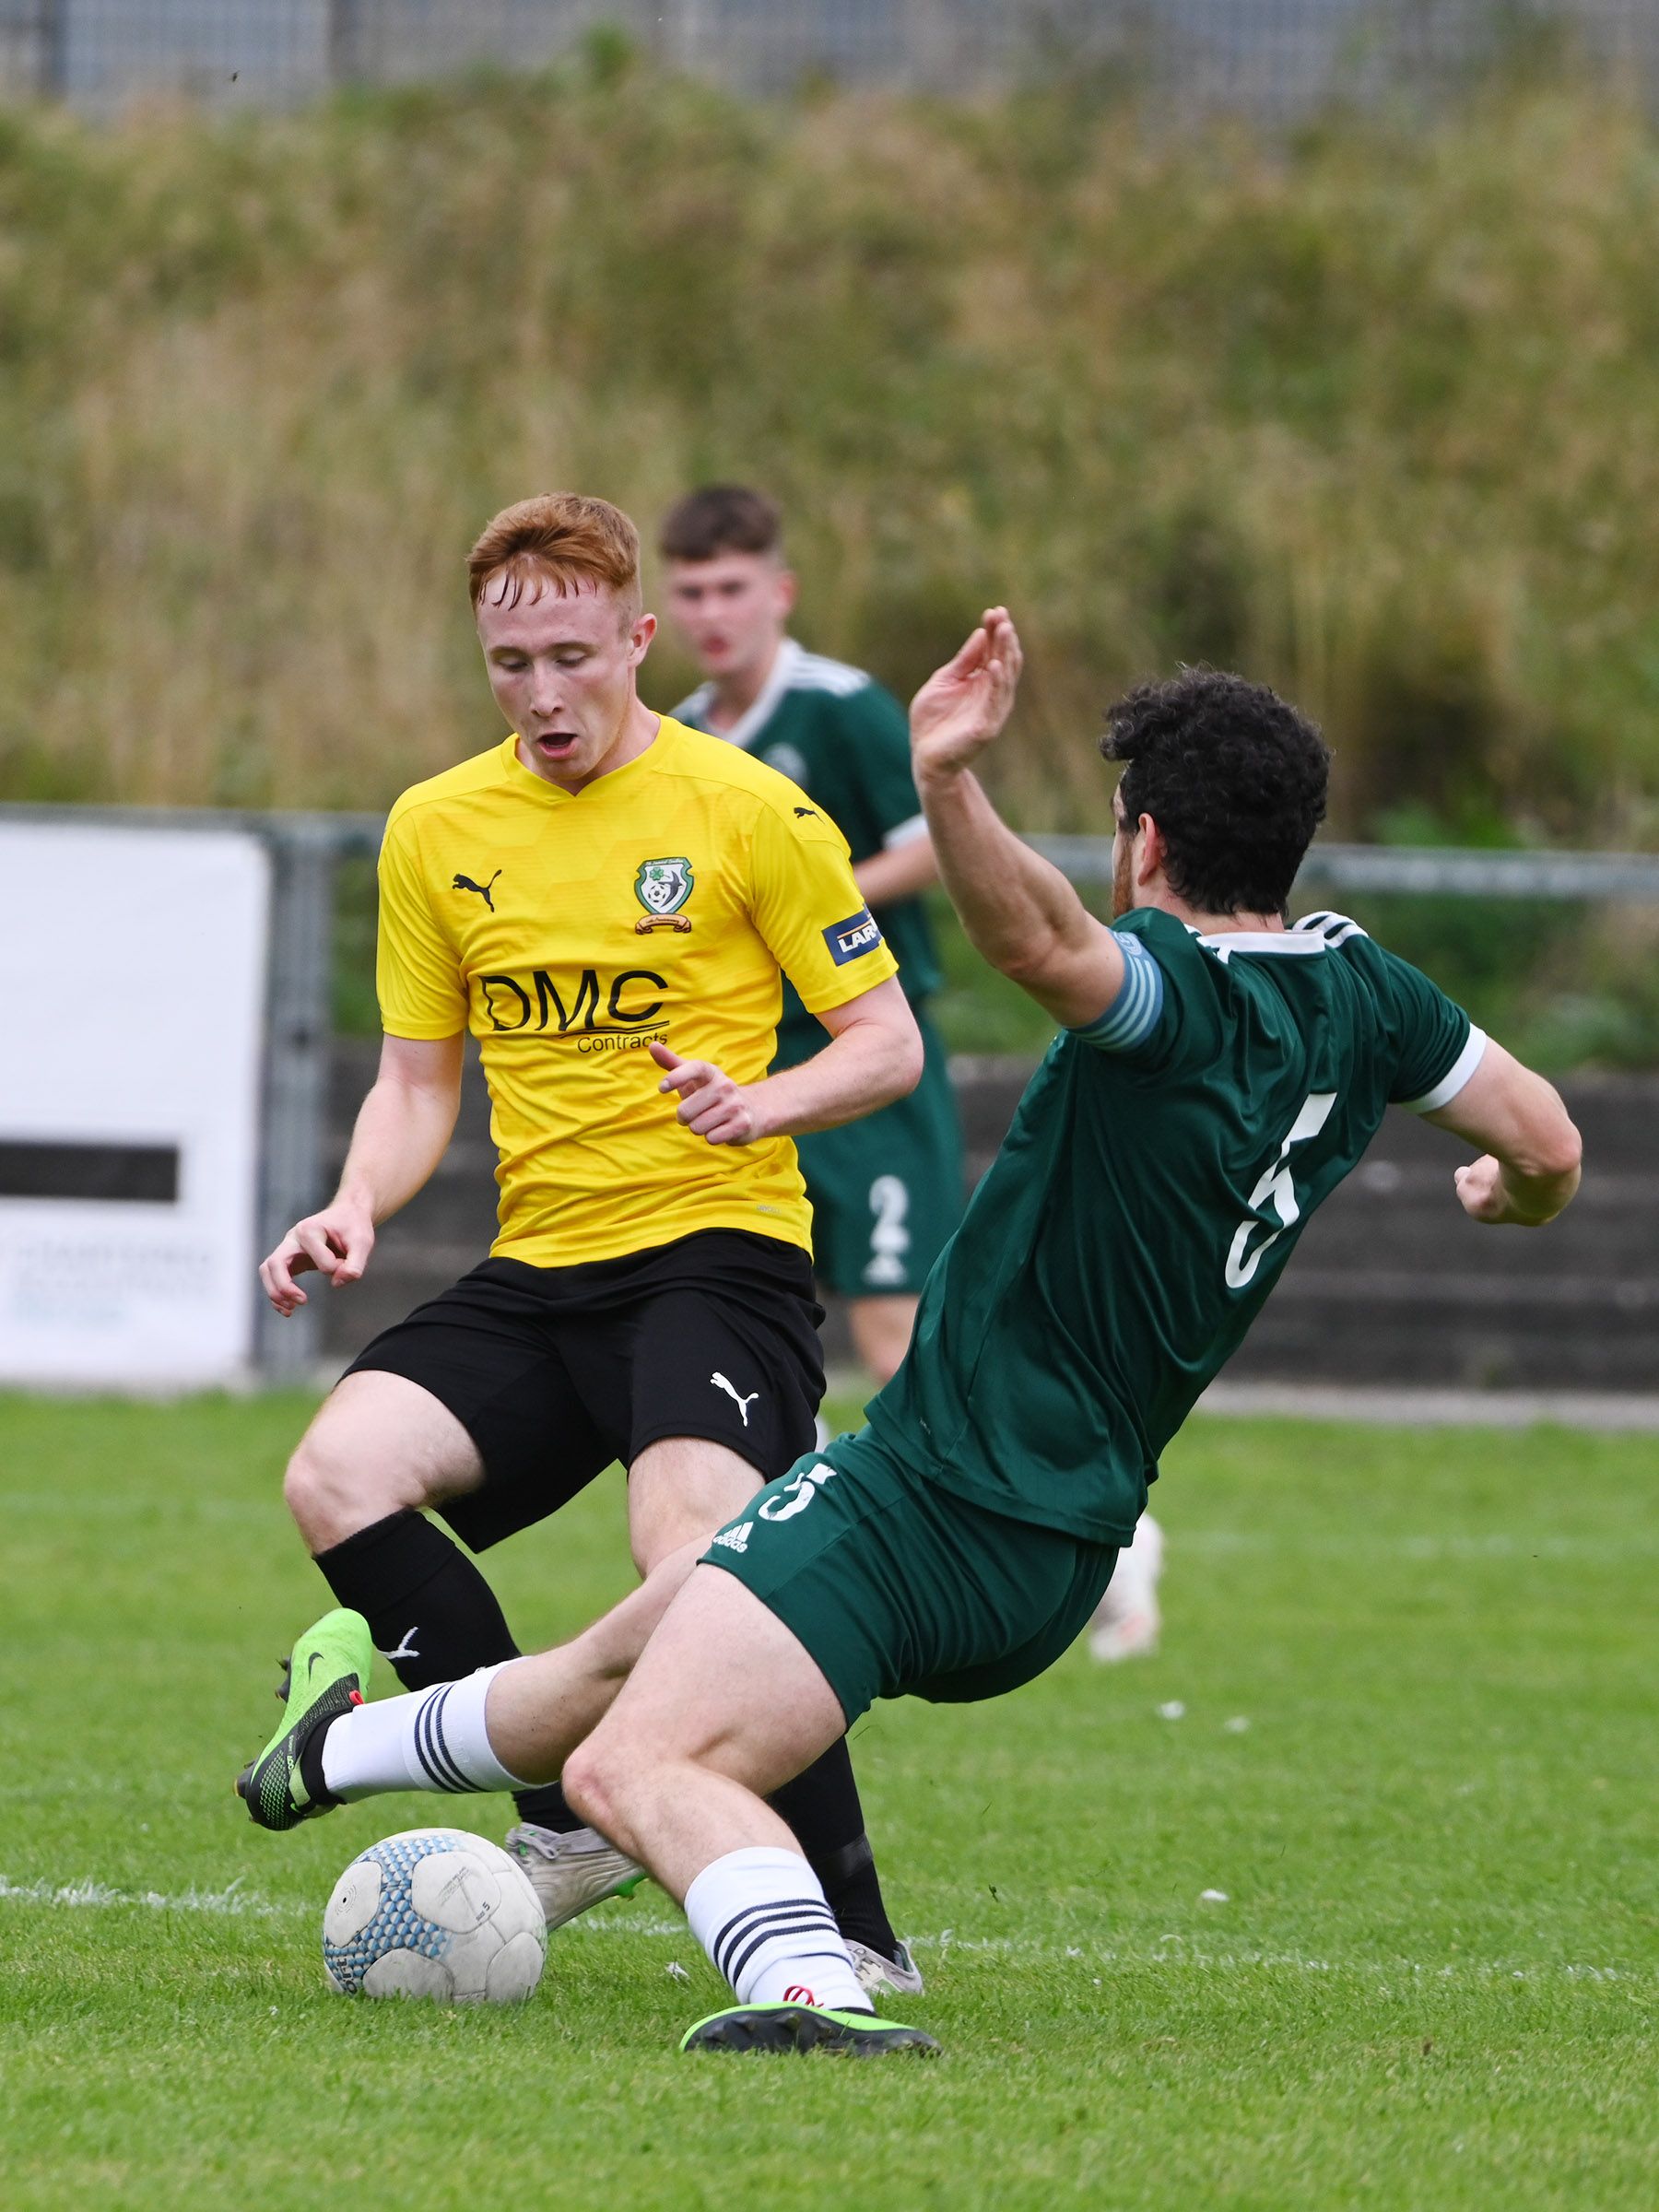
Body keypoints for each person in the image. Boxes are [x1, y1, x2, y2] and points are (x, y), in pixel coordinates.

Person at [238, 612, 1583, 2058]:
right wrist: (1513, 1192)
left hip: (933, 1496)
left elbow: (1036, 939)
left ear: (1140, 844)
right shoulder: (1366, 993)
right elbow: (1550, 1134)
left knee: (635, 1767)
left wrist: (948, 779)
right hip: (1061, 1546)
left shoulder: (1171, 998)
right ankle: (332, 1753)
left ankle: (819, 1986)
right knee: (640, 1633)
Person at [247, 491, 927, 1998]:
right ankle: (563, 1812)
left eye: (571, 656)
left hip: (720, 1253)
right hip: (543, 1269)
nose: (543, 696)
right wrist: (360, 1200)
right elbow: (419, 1077)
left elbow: (884, 1046)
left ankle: (855, 1935)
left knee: (703, 1563)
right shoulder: (439, 825)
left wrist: (763, 1104)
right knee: (337, 1473)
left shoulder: (750, 811)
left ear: (638, 638)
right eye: (509, 666)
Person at [660, 486, 965, 1388]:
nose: (711, 613)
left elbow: (930, 850)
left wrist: (796, 908)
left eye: (730, 588)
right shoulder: (672, 736)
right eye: (691, 592)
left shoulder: (843, 706)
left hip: (864, 1060)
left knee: (894, 1328)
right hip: (738, 1068)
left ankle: (1054, 1520)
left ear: (779, 592)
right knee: (744, 1332)